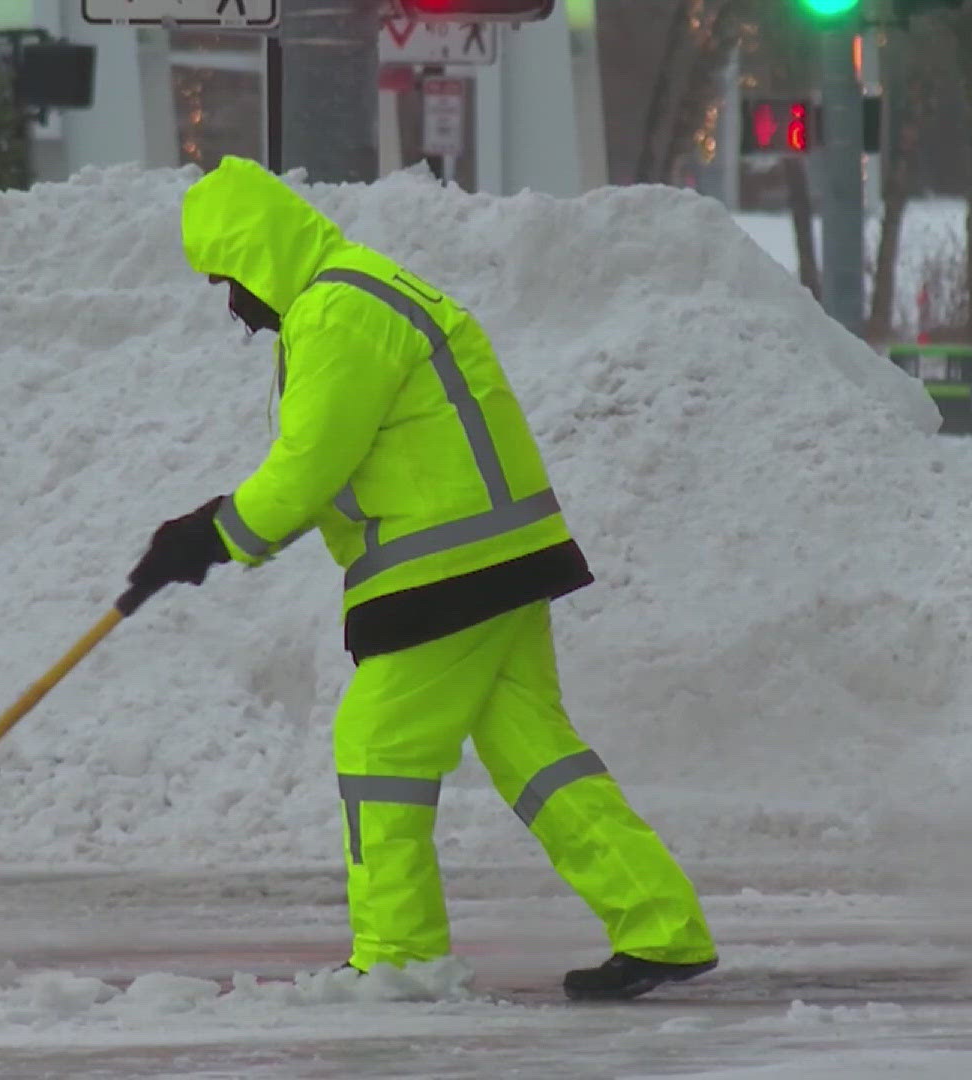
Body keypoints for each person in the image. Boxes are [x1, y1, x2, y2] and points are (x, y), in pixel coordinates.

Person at [127, 155, 717, 1001]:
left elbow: (309, 467)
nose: (233, 306)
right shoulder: (358, 292)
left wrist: (211, 536)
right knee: (535, 755)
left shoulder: (337, 310)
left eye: (228, 279)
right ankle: (662, 926)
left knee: (377, 742)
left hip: (449, 561)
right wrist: (213, 535)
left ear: (257, 255)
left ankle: (400, 952)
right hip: (497, 552)